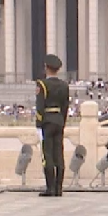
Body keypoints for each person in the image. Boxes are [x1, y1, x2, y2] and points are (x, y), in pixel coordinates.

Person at [35, 54, 71, 197]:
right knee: (59, 154)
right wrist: (62, 122)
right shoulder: (64, 85)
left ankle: (50, 188)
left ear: (46, 68)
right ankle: (59, 188)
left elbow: (40, 106)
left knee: (47, 154)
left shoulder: (42, 84)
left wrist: (39, 123)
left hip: (47, 121)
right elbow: (65, 106)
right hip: (59, 120)